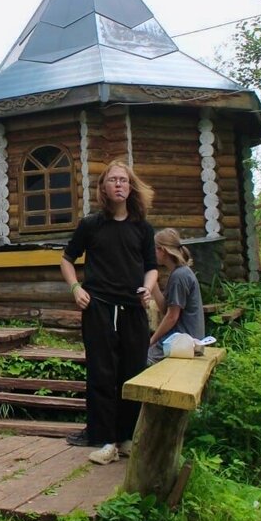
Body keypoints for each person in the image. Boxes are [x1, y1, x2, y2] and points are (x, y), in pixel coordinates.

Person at [61, 160, 157, 465]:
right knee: (102, 373)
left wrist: (146, 289)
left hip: (132, 309)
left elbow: (152, 268)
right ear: (103, 187)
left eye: (124, 180)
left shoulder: (142, 228)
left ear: (130, 188)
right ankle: (104, 441)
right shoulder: (91, 225)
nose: (119, 184)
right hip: (99, 307)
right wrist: (76, 289)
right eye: (113, 180)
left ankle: (126, 438)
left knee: (133, 371)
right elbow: (66, 260)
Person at [148, 228, 205, 365]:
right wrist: (153, 284)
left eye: (153, 249)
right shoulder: (179, 273)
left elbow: (172, 317)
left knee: (140, 360)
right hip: (181, 338)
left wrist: (152, 340)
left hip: (183, 341)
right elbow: (165, 310)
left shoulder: (179, 276)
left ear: (162, 250)